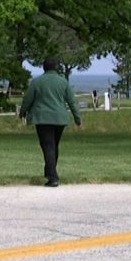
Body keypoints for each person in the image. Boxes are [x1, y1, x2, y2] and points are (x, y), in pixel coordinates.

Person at [18, 57, 81, 187]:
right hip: (59, 119)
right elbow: (72, 101)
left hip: (42, 118)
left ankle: (53, 177)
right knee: (54, 145)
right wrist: (77, 118)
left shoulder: (37, 82)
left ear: (44, 67)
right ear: (57, 68)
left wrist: (22, 112)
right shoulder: (63, 82)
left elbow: (27, 99)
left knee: (48, 146)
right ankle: (50, 172)